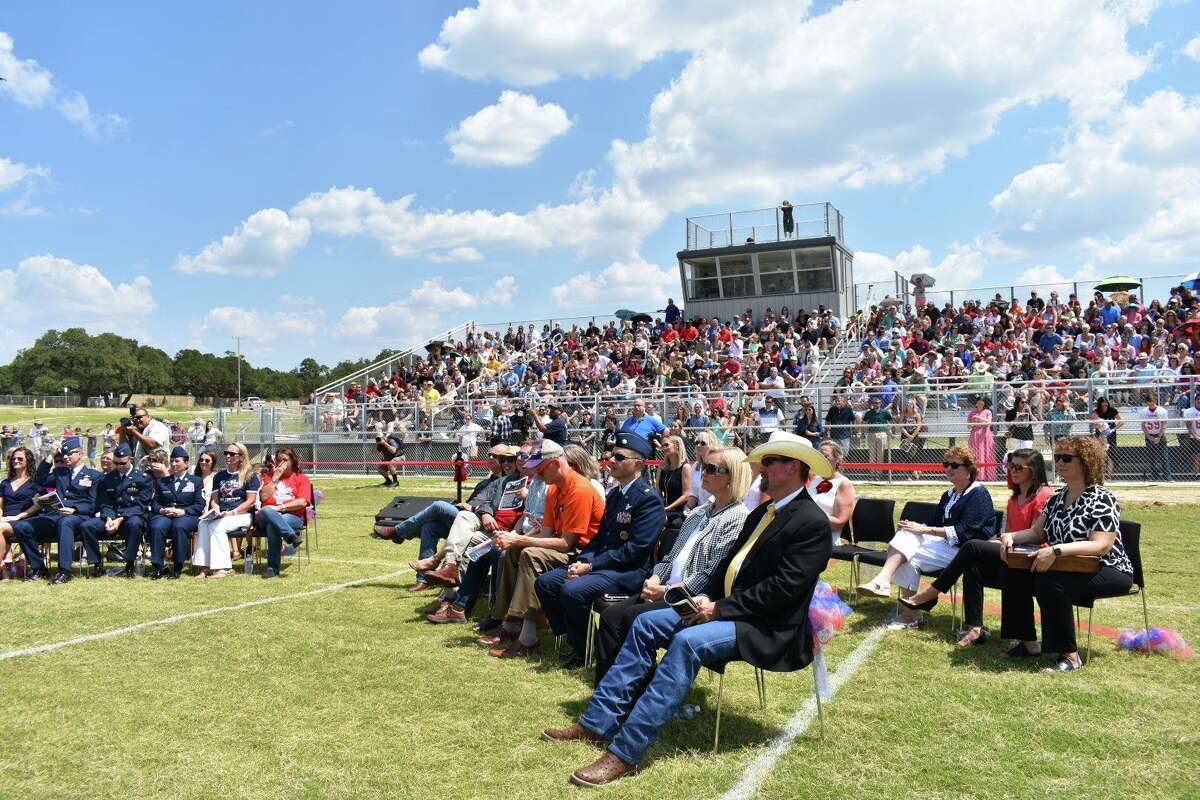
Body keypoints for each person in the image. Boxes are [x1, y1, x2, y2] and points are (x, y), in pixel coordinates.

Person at [540, 433, 833, 787]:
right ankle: (597, 723)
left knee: (688, 643)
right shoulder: (763, 513)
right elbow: (726, 565)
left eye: (770, 462)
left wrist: (720, 608)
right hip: (730, 610)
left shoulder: (812, 522)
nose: (763, 469)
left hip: (765, 625)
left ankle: (626, 753)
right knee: (646, 624)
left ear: (794, 467)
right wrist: (701, 599)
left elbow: (784, 590)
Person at [592, 445, 750, 684]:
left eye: (710, 468)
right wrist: (655, 579)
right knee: (611, 615)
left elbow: (709, 574)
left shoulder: (738, 518)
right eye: (702, 467)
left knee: (632, 617)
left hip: (692, 601)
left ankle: (634, 691)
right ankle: (610, 688)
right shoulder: (699, 512)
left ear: (732, 477)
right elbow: (670, 558)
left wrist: (665, 592)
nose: (702, 473)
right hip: (665, 589)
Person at [996, 436, 1134, 671]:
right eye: (1057, 457)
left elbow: (1101, 545)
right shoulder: (1057, 497)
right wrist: (1011, 537)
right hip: (1067, 565)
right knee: (1014, 573)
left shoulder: (1102, 497)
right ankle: (1027, 644)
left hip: (1107, 568)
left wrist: (1057, 550)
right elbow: (1037, 533)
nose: (1059, 462)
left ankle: (1070, 656)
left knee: (1051, 582)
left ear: (1086, 462)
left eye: (1066, 458)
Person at [535, 431, 666, 669]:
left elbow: (634, 550)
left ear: (637, 464)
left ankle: (588, 649)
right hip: (602, 564)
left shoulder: (648, 500)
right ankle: (580, 641)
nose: (611, 461)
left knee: (572, 590)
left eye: (619, 457)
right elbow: (600, 538)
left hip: (627, 572)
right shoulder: (615, 494)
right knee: (546, 582)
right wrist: (582, 560)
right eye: (611, 456)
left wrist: (591, 566)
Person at [903, 448, 1053, 646]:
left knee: (972, 546)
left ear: (1033, 470)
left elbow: (1037, 535)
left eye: (1018, 467)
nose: (1013, 471)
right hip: (1011, 554)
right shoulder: (1014, 499)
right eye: (1010, 467)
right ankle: (975, 629)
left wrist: (1006, 538)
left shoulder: (1044, 496)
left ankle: (931, 593)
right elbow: (1007, 533)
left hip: (1035, 557)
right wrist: (998, 540)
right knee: (972, 565)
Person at [487, 439, 605, 659]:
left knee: (529, 554)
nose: (536, 475)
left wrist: (519, 540)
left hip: (584, 554)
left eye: (539, 469)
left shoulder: (579, 489)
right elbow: (547, 534)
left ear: (554, 464)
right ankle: (511, 623)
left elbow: (566, 543)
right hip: (565, 548)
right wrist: (516, 540)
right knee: (514, 552)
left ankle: (526, 636)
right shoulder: (554, 490)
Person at [858, 445, 997, 628]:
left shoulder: (978, 494)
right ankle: (903, 608)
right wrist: (913, 529)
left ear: (969, 470)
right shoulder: (948, 495)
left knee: (907, 549)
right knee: (907, 547)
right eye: (946, 464)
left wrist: (923, 530)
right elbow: (934, 522)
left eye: (954, 465)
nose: (948, 469)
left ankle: (890, 590)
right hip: (947, 547)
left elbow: (965, 532)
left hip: (967, 553)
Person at [12, 437, 104, 584]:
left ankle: (64, 571)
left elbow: (94, 504)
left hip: (80, 517)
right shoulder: (60, 472)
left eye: (70, 454)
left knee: (65, 522)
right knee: (22, 526)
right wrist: (50, 455)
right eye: (63, 455)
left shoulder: (94, 475)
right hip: (56, 515)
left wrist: (74, 509)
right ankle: (39, 568)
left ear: (80, 453)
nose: (66, 457)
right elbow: (38, 480)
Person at [83, 443, 154, 579]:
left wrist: (120, 519)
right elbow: (104, 502)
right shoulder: (108, 478)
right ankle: (97, 564)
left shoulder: (143, 478)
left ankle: (130, 564)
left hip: (130, 518)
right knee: (87, 526)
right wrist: (109, 518)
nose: (119, 466)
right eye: (116, 463)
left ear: (131, 460)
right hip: (112, 518)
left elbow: (141, 505)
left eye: (122, 463)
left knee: (135, 524)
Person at [193, 442, 259, 579]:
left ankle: (222, 568)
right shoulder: (220, 476)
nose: (228, 456)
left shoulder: (249, 475)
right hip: (223, 513)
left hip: (243, 514)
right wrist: (216, 510)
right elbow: (215, 499)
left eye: (232, 454)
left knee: (217, 527)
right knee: (203, 524)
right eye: (226, 453)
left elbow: (250, 501)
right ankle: (205, 567)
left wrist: (232, 512)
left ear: (241, 457)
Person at [255, 447, 313, 579]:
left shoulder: (301, 478)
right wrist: (275, 478)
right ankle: (290, 536)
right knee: (265, 511)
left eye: (285, 460)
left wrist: (279, 508)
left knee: (273, 525)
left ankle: (272, 568)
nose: (281, 463)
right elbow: (263, 497)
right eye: (279, 460)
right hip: (265, 516)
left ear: (292, 462)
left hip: (292, 517)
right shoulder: (270, 477)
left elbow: (302, 502)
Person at [148, 446, 205, 579]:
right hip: (166, 514)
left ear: (186, 464)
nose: (173, 464)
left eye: (177, 461)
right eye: (172, 461)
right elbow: (155, 502)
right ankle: (158, 567)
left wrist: (182, 511)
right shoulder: (162, 481)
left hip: (187, 515)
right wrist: (161, 510)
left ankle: (178, 566)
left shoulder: (196, 481)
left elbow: (199, 504)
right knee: (157, 526)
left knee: (179, 526)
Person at [0, 447, 39, 572]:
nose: (16, 460)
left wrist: (18, 516)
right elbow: (0, 505)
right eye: (13, 458)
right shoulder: (5, 483)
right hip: (5, 520)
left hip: (25, 520)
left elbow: (38, 504)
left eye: (20, 458)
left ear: (28, 460)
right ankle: (3, 567)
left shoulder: (35, 482)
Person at [810, 441, 856, 544]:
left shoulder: (844, 485)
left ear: (837, 460)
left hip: (825, 539)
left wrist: (809, 515)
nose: (821, 460)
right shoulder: (815, 479)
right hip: (807, 533)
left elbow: (838, 523)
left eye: (825, 456)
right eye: (819, 456)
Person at [656, 434, 692, 519]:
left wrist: (668, 508)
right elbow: (658, 490)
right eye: (662, 445)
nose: (664, 448)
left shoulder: (685, 467)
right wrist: (659, 507)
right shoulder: (661, 467)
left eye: (666, 445)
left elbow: (686, 495)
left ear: (677, 445)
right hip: (664, 508)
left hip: (680, 511)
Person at [1140, 395, 1170, 480]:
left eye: (1152, 402)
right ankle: (1154, 476)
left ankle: (1167, 476)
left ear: (1155, 401)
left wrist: (1159, 436)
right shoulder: (1144, 411)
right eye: (1149, 402)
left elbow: (1164, 424)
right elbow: (1143, 425)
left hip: (1160, 435)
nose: (1151, 404)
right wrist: (1149, 436)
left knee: (1164, 457)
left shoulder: (1162, 411)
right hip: (1150, 435)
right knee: (1151, 457)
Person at [967, 396, 997, 481]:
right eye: (978, 402)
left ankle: (989, 476)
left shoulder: (988, 412)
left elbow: (989, 423)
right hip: (975, 436)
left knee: (987, 454)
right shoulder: (972, 413)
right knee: (975, 455)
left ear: (985, 403)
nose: (979, 404)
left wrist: (979, 419)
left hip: (985, 436)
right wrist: (973, 422)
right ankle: (977, 476)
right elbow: (968, 426)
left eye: (981, 402)